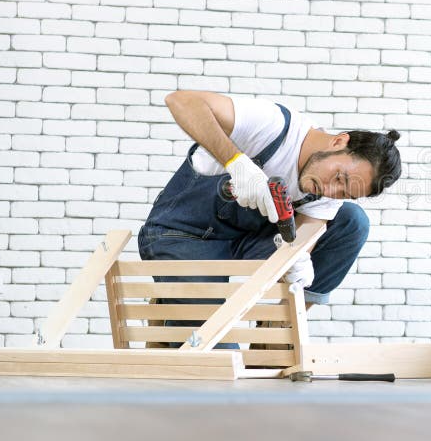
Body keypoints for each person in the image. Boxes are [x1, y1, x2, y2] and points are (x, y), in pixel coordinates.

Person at [137, 91, 402, 348]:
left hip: (242, 243)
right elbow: (181, 100)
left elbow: (303, 240)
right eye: (339, 178)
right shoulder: (273, 126)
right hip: (182, 237)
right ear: (338, 142)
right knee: (216, 355)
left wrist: (296, 260)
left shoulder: (329, 193)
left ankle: (274, 335)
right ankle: (171, 309)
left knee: (351, 221)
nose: (331, 192)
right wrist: (236, 162)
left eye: (345, 192)